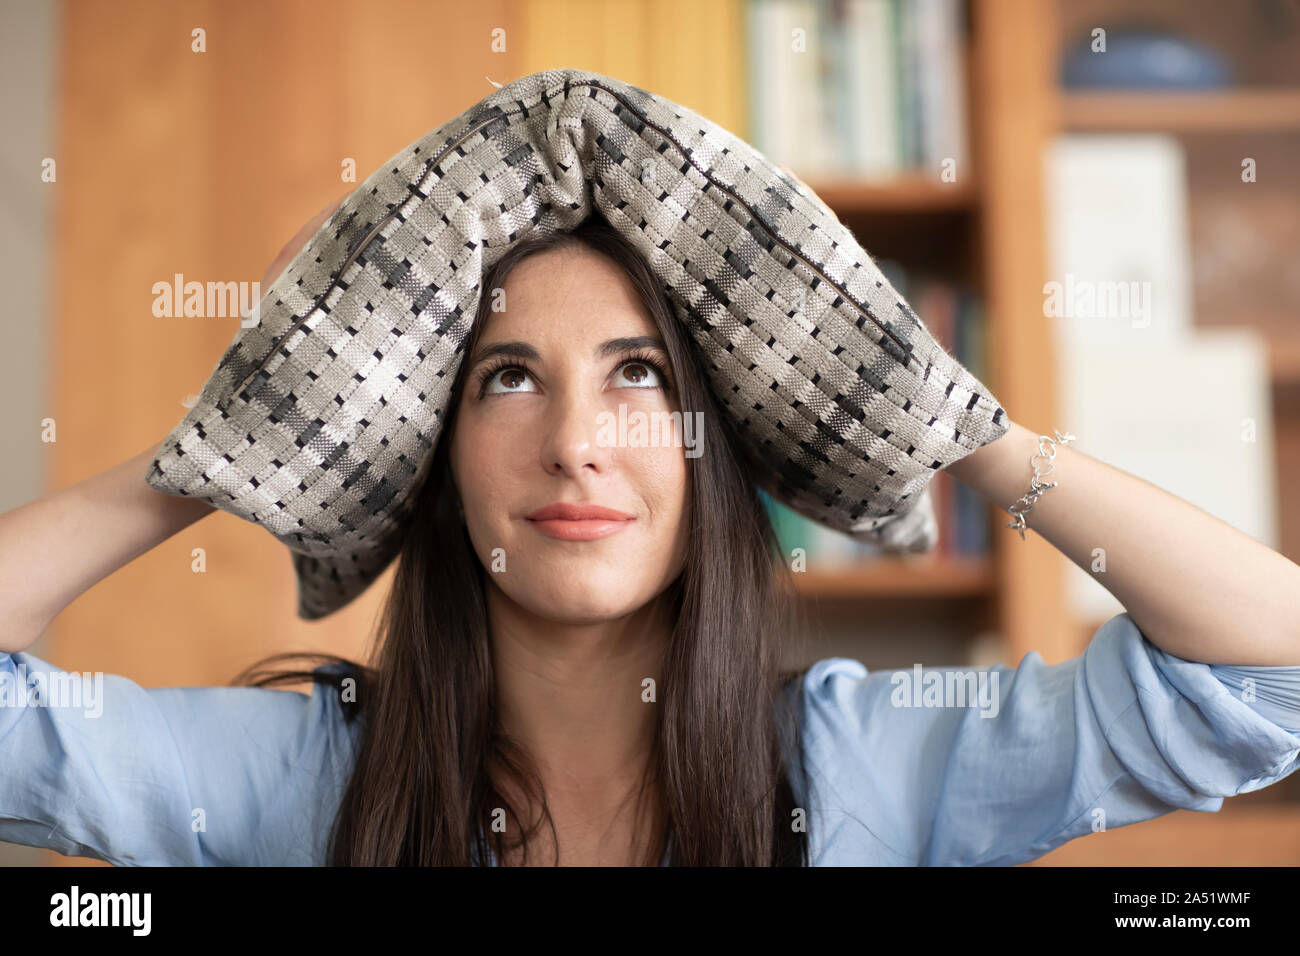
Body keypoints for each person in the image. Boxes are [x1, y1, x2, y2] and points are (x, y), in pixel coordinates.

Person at [2, 207, 1299, 867]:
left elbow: (1269, 669)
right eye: (509, 377)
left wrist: (960, 428)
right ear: (434, 466)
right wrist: (230, 447)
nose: (578, 442)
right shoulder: (303, 781)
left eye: (638, 378)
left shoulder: (867, 766)